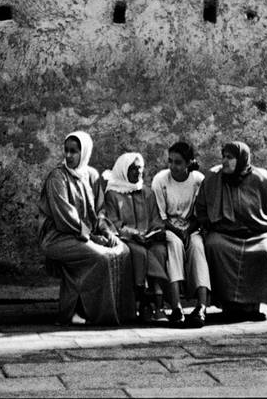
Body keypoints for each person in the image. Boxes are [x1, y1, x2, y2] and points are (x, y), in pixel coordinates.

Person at [38, 130, 134, 325]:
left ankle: (119, 312)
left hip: (85, 234)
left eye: (74, 151)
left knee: (122, 250)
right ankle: (93, 313)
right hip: (58, 236)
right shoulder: (57, 178)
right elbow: (65, 216)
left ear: (85, 152)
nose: (68, 156)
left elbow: (99, 210)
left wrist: (106, 231)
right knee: (99, 257)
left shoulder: (91, 175)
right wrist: (91, 237)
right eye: (66, 151)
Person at [195, 140, 267, 322]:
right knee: (213, 245)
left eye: (230, 157)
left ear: (242, 159)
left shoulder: (263, 179)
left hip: (257, 234)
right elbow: (201, 207)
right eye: (224, 157)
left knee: (265, 251)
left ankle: (253, 306)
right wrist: (211, 223)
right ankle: (227, 306)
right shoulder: (213, 178)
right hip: (224, 234)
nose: (225, 161)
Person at [100, 151, 168, 321]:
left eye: (140, 169)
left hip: (148, 239)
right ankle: (148, 301)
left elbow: (156, 219)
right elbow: (114, 223)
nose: (138, 173)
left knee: (159, 251)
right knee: (139, 253)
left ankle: (156, 304)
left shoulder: (147, 193)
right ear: (123, 170)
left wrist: (154, 232)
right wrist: (135, 235)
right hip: (128, 240)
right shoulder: (113, 194)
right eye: (132, 169)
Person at [151, 141, 211, 327]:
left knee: (197, 246)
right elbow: (160, 217)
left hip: (191, 227)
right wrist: (178, 231)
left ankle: (201, 306)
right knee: (174, 245)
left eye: (178, 162)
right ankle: (176, 306)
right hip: (169, 228)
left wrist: (189, 230)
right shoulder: (160, 181)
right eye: (170, 161)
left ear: (188, 163)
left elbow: (200, 213)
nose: (173, 166)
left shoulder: (198, 181)